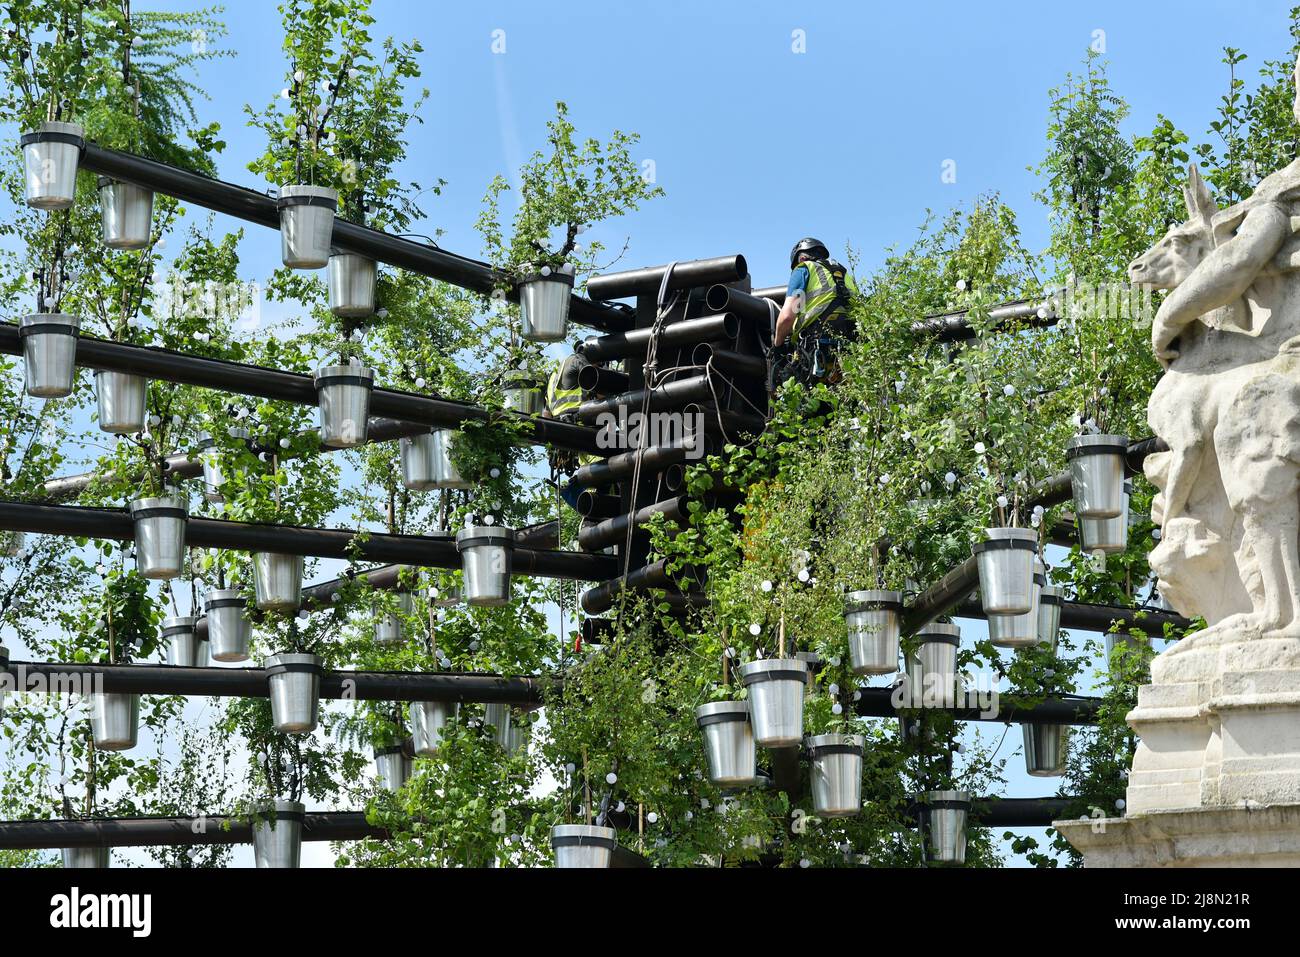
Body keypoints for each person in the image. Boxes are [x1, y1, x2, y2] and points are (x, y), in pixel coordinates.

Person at [771, 237, 859, 388]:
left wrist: (778, 347)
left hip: (815, 351)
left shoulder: (804, 269)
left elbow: (787, 317)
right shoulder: (845, 276)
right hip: (848, 357)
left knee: (791, 393)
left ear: (802, 257)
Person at [544, 346, 595, 510]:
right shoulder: (578, 360)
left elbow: (546, 413)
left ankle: (589, 505)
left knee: (588, 471)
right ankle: (594, 505)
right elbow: (597, 385)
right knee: (603, 470)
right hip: (583, 429)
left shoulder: (554, 376)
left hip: (565, 434)